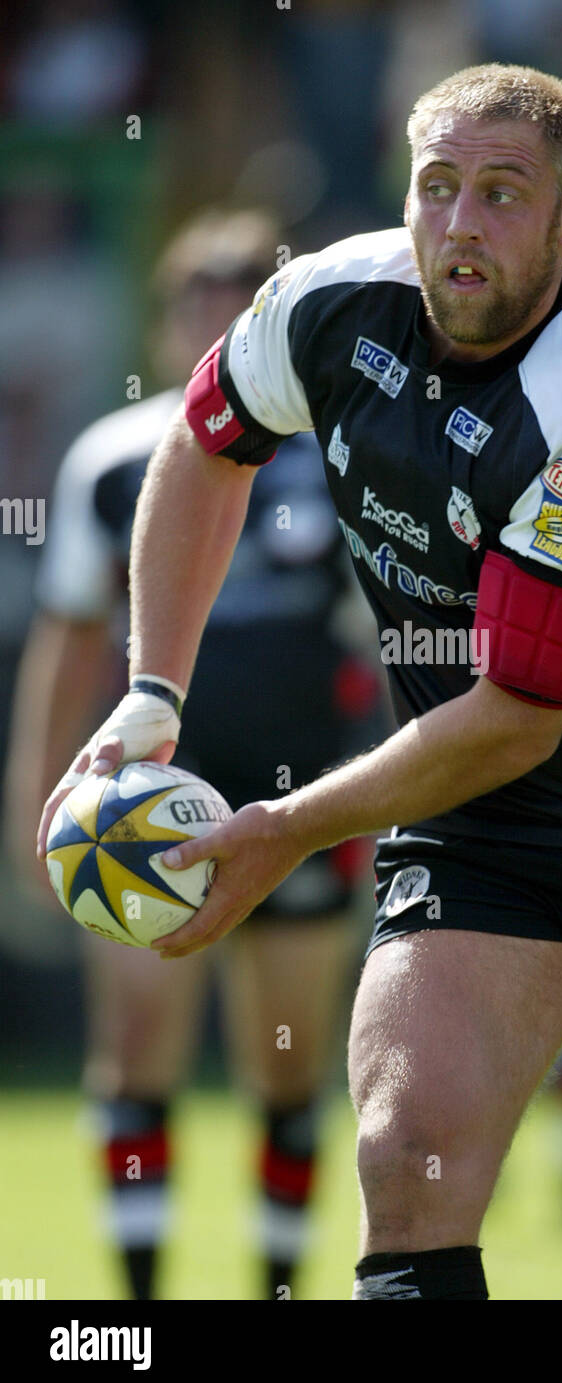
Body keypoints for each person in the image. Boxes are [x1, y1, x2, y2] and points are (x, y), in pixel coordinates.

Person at [38, 65, 562, 1302]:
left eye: (500, 193)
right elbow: (205, 447)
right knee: (406, 1160)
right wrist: (152, 691)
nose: (459, 225)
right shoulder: (323, 303)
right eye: (437, 188)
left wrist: (280, 828)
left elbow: (517, 721)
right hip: (483, 826)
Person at [11, 208, 383, 1300]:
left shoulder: (340, 455)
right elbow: (69, 640)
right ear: (167, 319)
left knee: (287, 1065)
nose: (218, 316)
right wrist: (32, 801)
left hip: (303, 806)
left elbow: (394, 639)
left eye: (243, 295)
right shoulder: (116, 461)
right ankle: (138, 1301)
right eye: (198, 297)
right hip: (136, 823)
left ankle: (273, 1284)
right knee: (138, 1050)